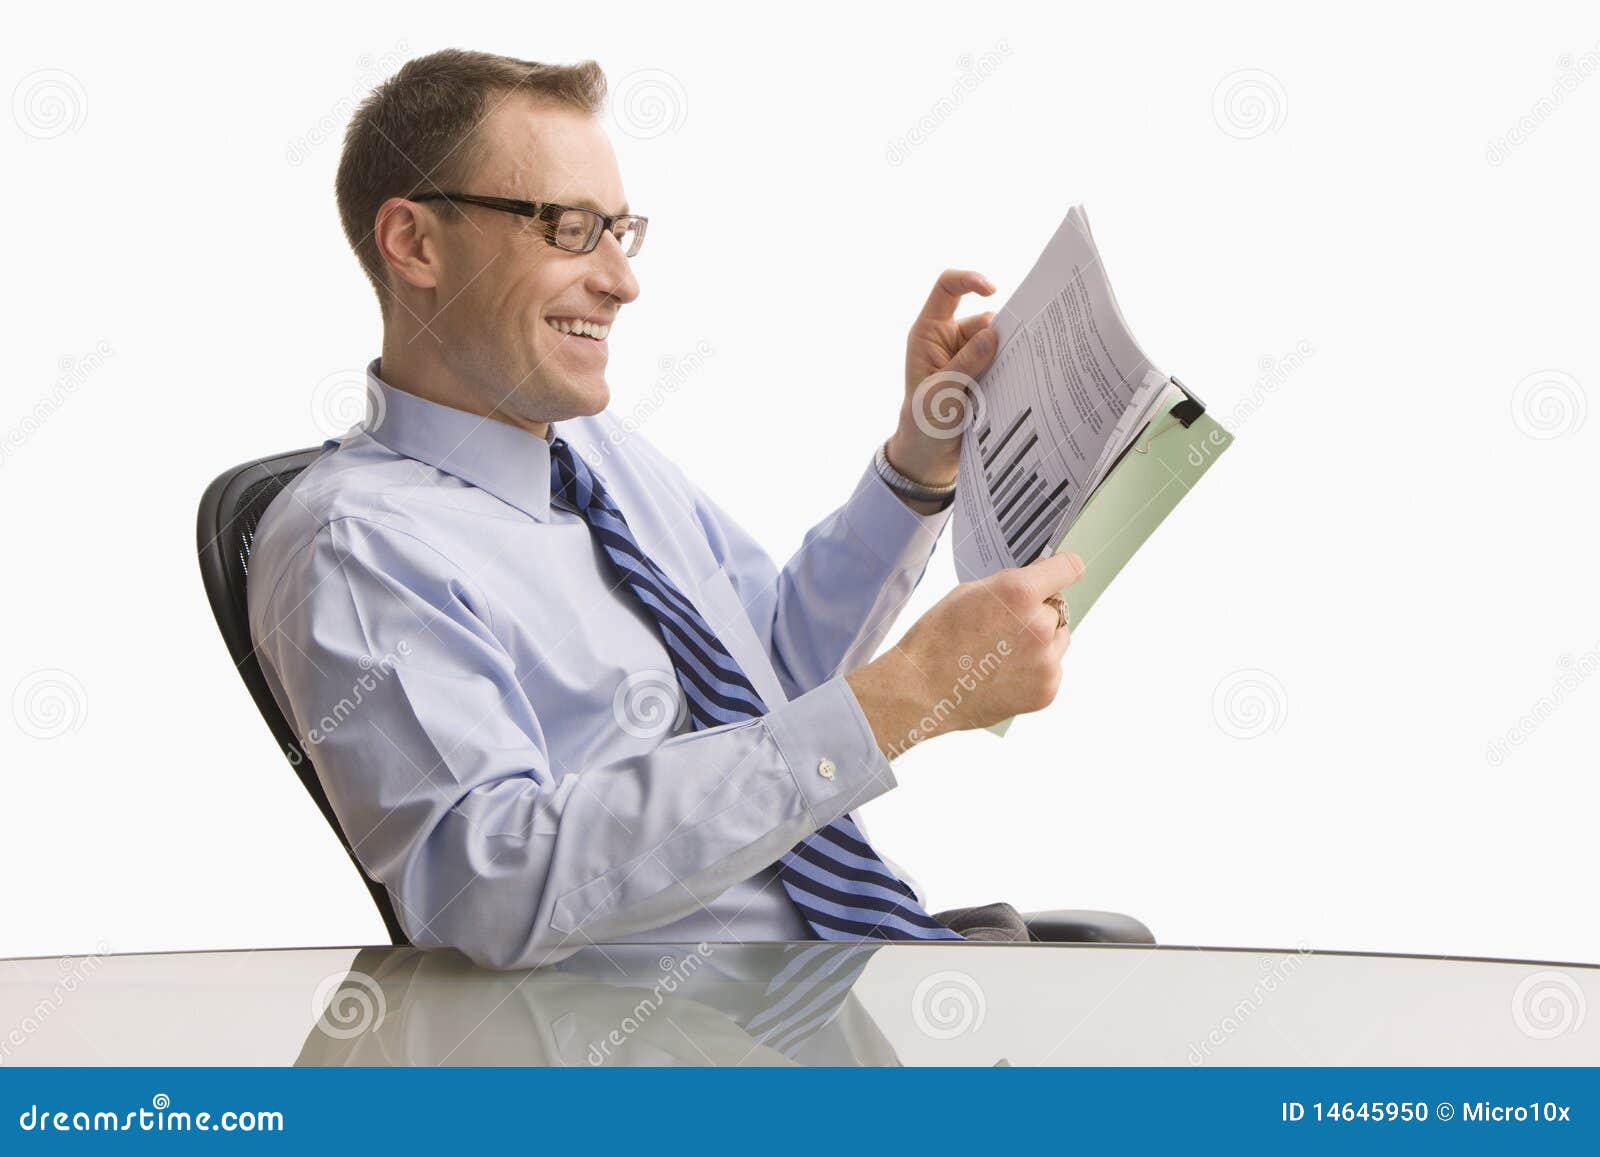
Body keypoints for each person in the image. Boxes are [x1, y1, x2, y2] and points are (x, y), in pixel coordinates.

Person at [249, 49, 1083, 969]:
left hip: (870, 983)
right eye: (568, 228)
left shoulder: (596, 452)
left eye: (620, 230)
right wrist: (909, 696)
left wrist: (918, 465)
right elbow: (492, 887)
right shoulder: (355, 545)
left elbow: (769, 677)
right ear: (414, 244)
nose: (621, 279)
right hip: (692, 1051)